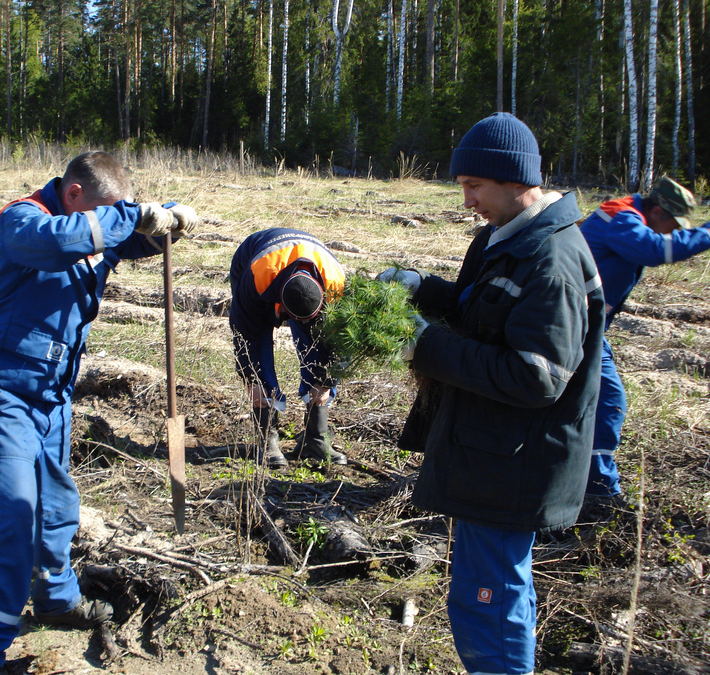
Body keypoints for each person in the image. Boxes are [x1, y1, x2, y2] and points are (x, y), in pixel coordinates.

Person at [0, 151, 199, 675]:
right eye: (105, 213)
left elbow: (135, 235)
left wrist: (171, 217)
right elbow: (60, 242)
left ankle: (56, 599)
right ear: (73, 196)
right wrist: (132, 216)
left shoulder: (95, 223)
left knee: (57, 505)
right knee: (16, 515)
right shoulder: (23, 221)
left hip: (54, 391)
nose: (111, 224)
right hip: (4, 390)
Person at [379, 112, 604, 675]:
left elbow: (536, 376)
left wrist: (424, 347)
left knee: (489, 598)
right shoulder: (504, 239)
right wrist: (423, 289)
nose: (467, 201)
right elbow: (479, 310)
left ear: (514, 178)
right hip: (493, 451)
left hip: (517, 464)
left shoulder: (552, 261)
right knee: (496, 588)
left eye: (473, 185)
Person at [579, 176, 710, 497]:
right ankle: (599, 490)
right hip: (574, 326)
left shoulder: (627, 214)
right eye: (672, 226)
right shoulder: (622, 216)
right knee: (608, 402)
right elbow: (655, 250)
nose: (671, 233)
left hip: (582, 324)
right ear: (658, 211)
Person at [229, 228, 347, 469]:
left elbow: (340, 341)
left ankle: (316, 439)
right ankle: (267, 441)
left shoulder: (335, 284)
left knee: (316, 345)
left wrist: (326, 381)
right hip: (256, 260)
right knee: (259, 348)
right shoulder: (257, 278)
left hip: (310, 268)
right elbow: (245, 333)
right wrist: (251, 379)